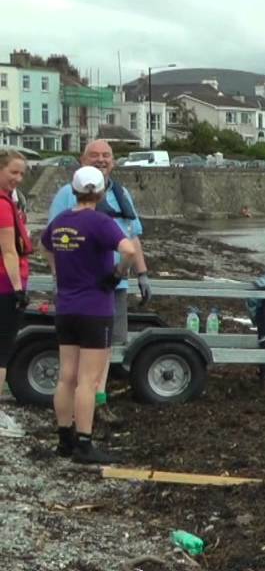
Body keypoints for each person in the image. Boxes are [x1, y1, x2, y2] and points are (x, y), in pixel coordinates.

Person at [48, 139, 151, 422]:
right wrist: (60, 277)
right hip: (83, 289)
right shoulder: (66, 196)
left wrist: (141, 274)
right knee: (79, 360)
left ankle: (98, 400)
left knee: (106, 349)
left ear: (114, 161)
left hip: (115, 288)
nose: (101, 159)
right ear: (82, 160)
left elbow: (133, 236)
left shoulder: (122, 193)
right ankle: (82, 419)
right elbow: (53, 240)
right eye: (94, 155)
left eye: (106, 155)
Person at [41, 166, 138, 463]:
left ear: (74, 190)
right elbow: (130, 250)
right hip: (95, 308)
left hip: (66, 306)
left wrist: (58, 272)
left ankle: (64, 438)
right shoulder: (100, 222)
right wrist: (117, 273)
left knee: (66, 377)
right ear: (98, 193)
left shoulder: (60, 221)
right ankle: (85, 442)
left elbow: (45, 246)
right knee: (88, 379)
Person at [0, 149, 33, 438]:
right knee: (2, 350)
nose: (18, 179)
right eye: (13, 172)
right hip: (5, 283)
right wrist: (18, 289)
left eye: (21, 174)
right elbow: (9, 251)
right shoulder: (2, 205)